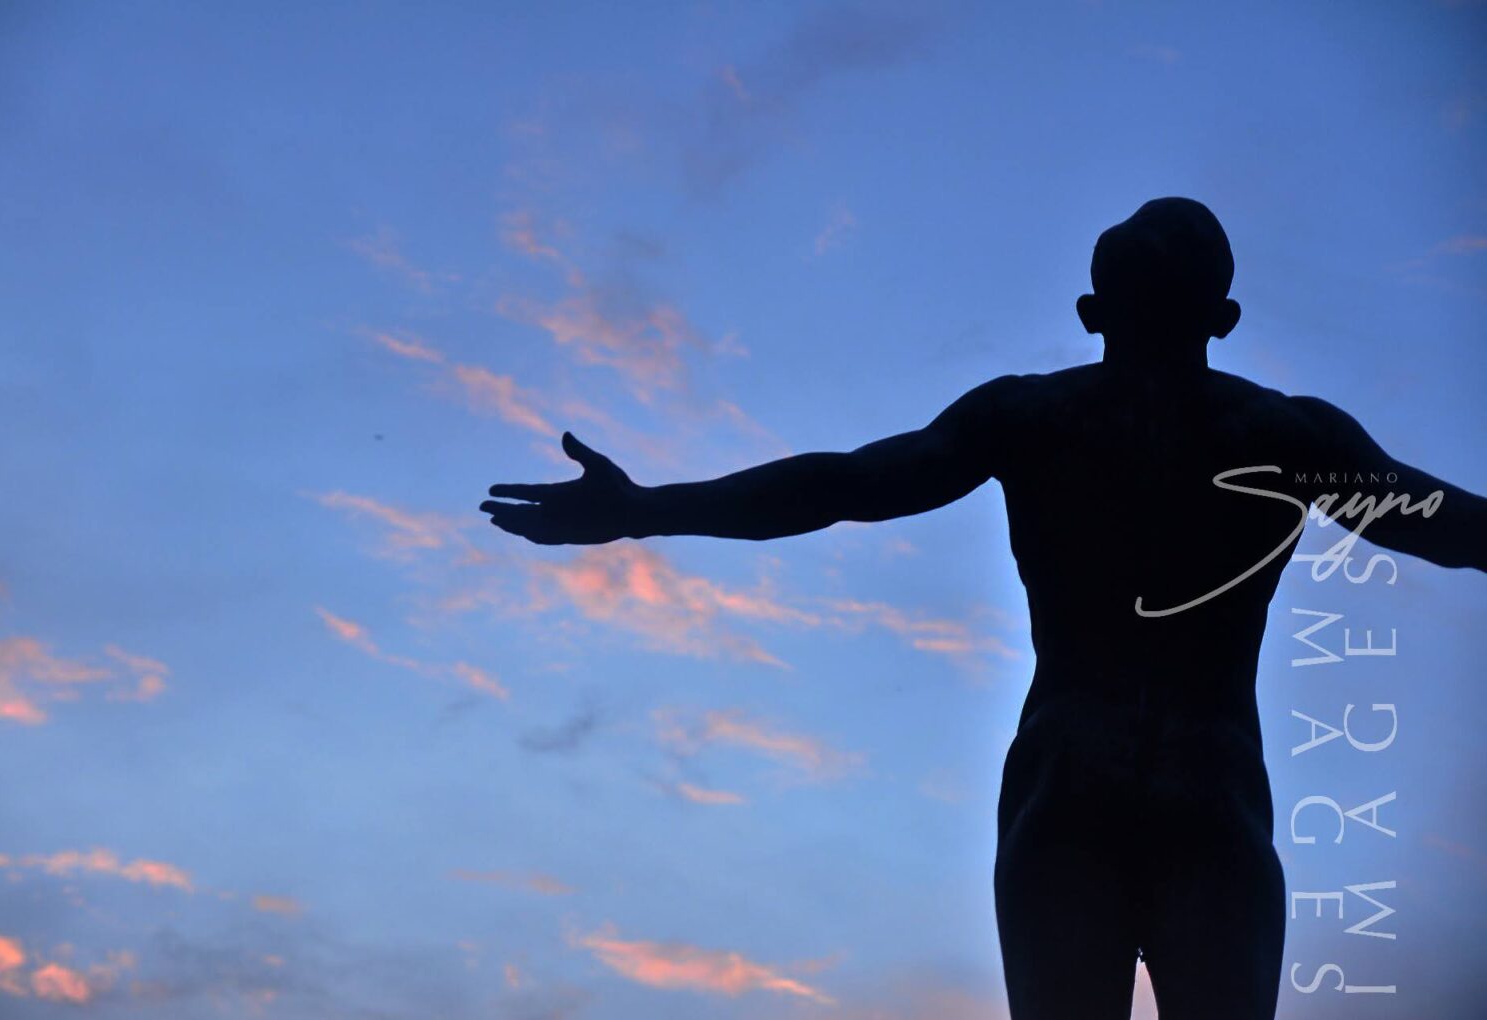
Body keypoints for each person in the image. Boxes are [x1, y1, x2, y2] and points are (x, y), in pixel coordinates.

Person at [479, 198, 1487, 1019]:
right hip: (1208, 800)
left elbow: (842, 485)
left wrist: (645, 511)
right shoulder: (1282, 435)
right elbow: (1449, 527)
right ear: (1222, 319)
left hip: (1068, 793)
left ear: (1092, 311)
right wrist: (644, 512)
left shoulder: (1032, 416)